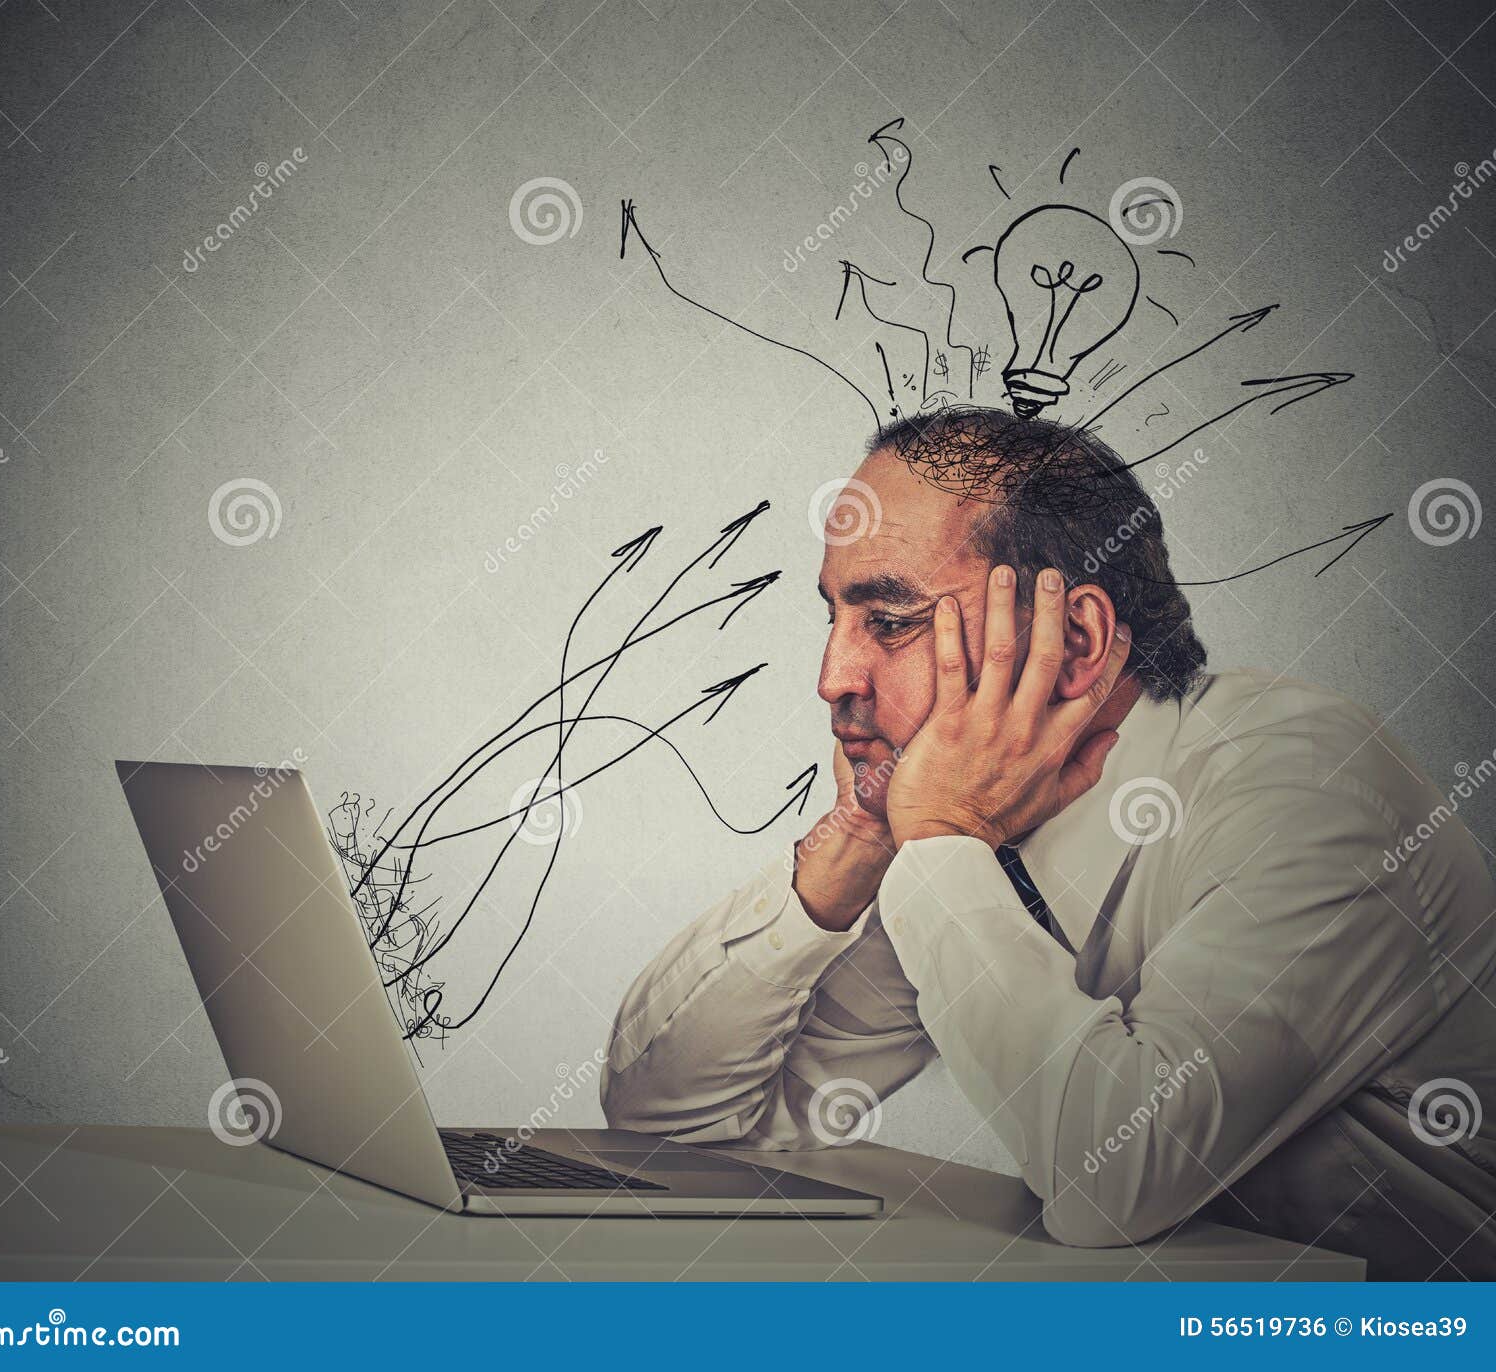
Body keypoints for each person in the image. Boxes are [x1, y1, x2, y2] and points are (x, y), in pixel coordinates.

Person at [600, 406, 1496, 1279]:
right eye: (833, 616)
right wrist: (843, 865)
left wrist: (942, 840)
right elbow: (670, 1127)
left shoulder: (1314, 784)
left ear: (1073, 641)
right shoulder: (972, 820)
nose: (831, 678)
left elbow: (1112, 1185)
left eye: (891, 620)